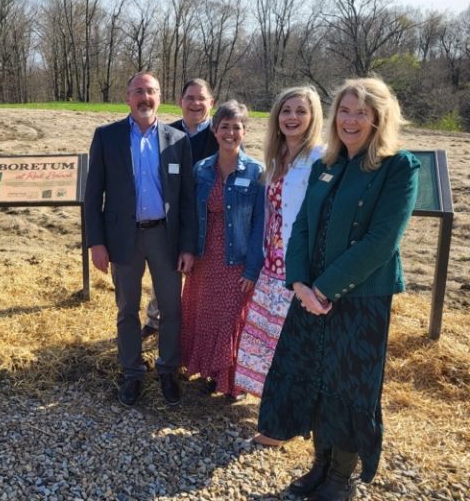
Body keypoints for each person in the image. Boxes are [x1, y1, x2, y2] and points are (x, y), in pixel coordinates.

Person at [257, 77, 420, 500]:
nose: (350, 120)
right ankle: (320, 466)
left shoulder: (397, 168)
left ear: (378, 119)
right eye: (344, 111)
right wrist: (299, 283)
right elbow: (303, 228)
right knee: (315, 379)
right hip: (309, 294)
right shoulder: (324, 166)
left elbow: (381, 243)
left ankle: (341, 477)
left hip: (358, 299)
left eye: (360, 113)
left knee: (348, 386)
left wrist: (324, 289)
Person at [85, 71, 197, 407]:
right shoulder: (107, 137)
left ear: (160, 97)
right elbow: (93, 196)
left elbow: (188, 199)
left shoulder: (177, 140)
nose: (144, 98)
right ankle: (132, 371)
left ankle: (167, 369)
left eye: (150, 91)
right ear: (127, 97)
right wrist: (97, 243)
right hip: (124, 238)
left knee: (171, 308)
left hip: (165, 236)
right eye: (138, 91)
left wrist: (188, 246)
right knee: (126, 310)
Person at [233, 86, 325, 446]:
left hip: (297, 266)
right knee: (267, 340)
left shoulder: (320, 157)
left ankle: (284, 424)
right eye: (286, 110)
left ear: (313, 116)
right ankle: (271, 411)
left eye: (300, 111)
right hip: (271, 264)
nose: (292, 117)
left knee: (291, 345)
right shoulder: (276, 158)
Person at [180, 100, 264, 399]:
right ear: (214, 131)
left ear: (245, 131)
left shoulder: (257, 172)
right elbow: (188, 215)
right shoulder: (201, 169)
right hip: (204, 257)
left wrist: (253, 269)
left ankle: (233, 382)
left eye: (236, 127)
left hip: (236, 260)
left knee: (230, 319)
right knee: (204, 316)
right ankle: (211, 374)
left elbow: (260, 226)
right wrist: (187, 250)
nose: (230, 133)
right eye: (224, 127)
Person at [141, 78, 219, 339]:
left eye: (201, 98)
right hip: (172, 219)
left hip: (211, 219)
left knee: (204, 280)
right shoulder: (166, 135)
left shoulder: (222, 136)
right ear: (180, 102)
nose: (195, 103)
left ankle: (196, 327)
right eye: (190, 98)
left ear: (211, 103)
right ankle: (155, 319)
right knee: (166, 274)